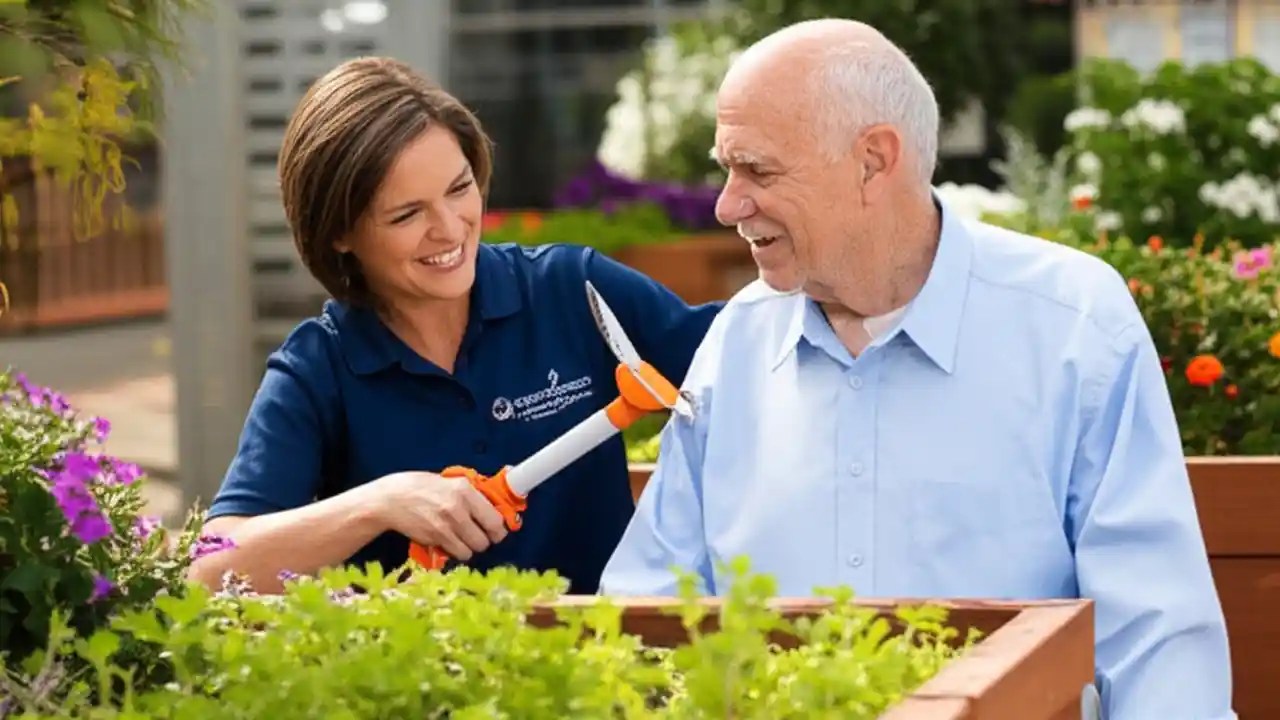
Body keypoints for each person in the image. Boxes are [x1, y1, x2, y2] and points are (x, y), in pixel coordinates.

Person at [599, 19, 1235, 720]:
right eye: (726, 168)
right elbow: (649, 605)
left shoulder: (1072, 325)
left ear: (874, 160)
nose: (727, 204)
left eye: (758, 169)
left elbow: (1156, 637)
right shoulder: (736, 344)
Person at [187, 57, 721, 595]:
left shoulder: (571, 289)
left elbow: (747, 361)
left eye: (459, 188)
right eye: (406, 215)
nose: (449, 230)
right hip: (426, 675)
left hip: (603, 663)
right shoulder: (317, 370)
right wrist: (380, 503)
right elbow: (212, 572)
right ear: (339, 234)